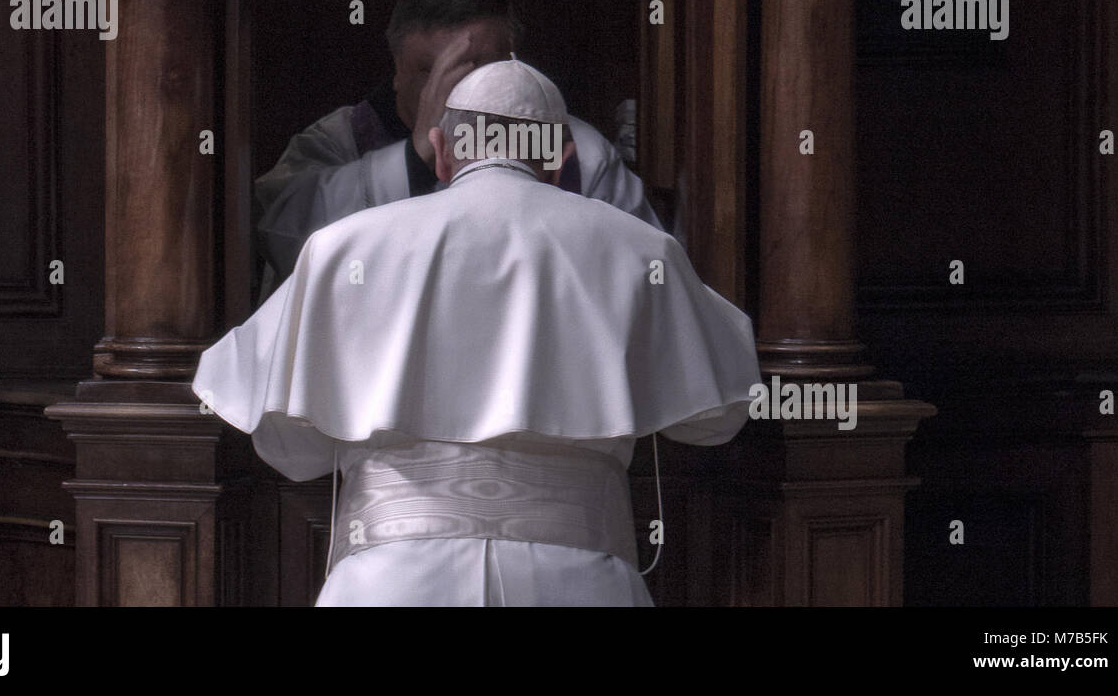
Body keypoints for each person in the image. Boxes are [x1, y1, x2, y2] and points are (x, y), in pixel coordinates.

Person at [195, 59, 760, 606]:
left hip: (391, 582)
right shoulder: (642, 251)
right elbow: (715, 419)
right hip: (579, 579)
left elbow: (291, 448)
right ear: (562, 159)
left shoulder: (342, 250)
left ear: (441, 152)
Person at [254, 0, 661, 300]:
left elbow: (644, 273)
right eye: (429, 72)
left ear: (512, 61)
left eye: (475, 70)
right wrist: (413, 159)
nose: (453, 94)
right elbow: (284, 237)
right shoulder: (338, 141)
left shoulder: (575, 147)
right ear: (397, 70)